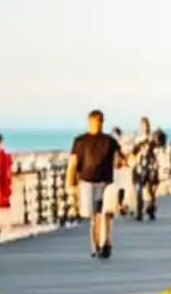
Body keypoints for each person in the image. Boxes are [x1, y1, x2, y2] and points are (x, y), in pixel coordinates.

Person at [68, 110, 121, 259]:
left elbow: (118, 159)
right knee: (94, 216)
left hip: (106, 181)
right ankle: (96, 245)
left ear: (102, 122)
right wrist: (71, 180)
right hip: (87, 181)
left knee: (105, 213)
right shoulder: (80, 141)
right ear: (89, 122)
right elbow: (73, 162)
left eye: (99, 121)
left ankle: (105, 243)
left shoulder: (109, 141)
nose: (96, 124)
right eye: (94, 121)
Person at [130, 118, 161, 222]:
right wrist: (139, 145)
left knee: (151, 189)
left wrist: (152, 142)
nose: (145, 127)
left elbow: (156, 148)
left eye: (146, 125)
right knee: (138, 189)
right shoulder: (137, 138)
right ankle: (139, 211)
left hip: (150, 165)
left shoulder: (152, 137)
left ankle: (151, 208)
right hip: (139, 165)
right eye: (143, 125)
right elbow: (133, 151)